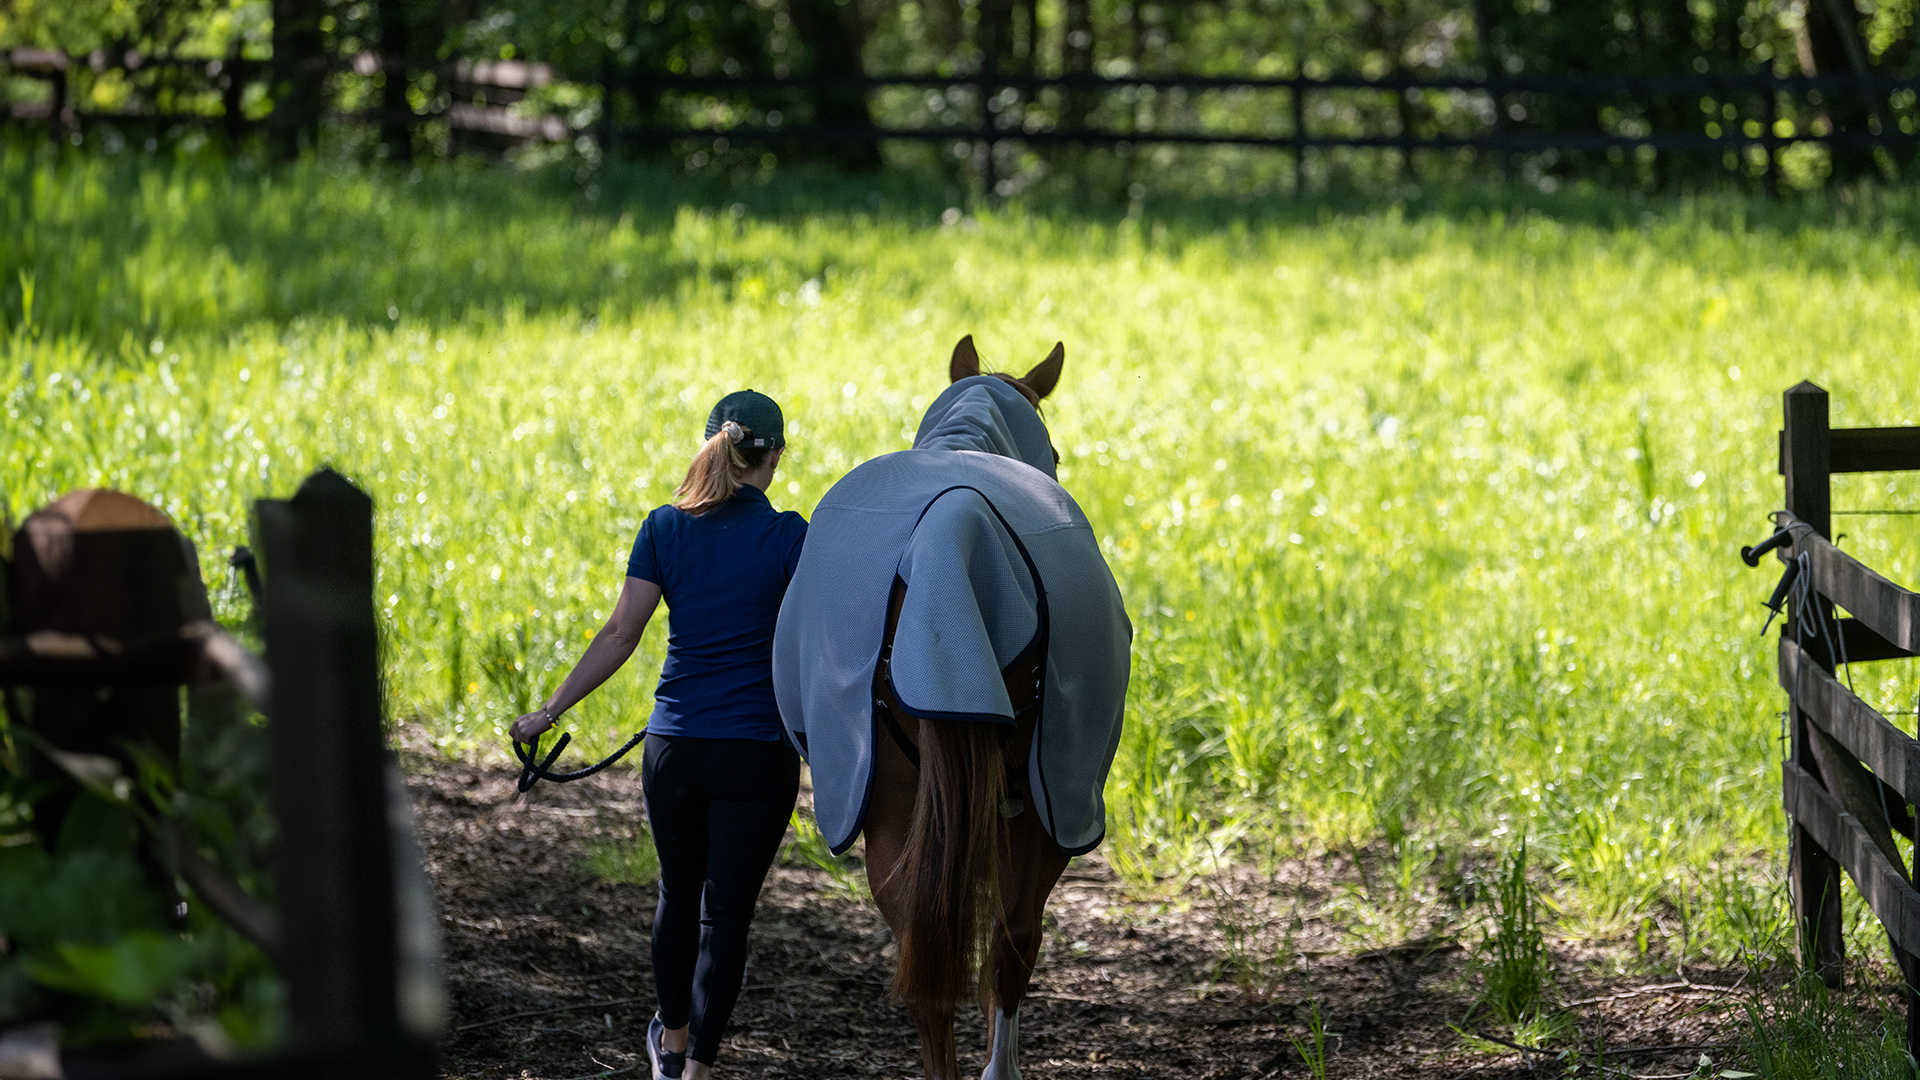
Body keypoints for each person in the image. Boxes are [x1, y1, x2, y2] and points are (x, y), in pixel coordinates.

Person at [510, 390, 806, 1080]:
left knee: (679, 895)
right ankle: (698, 1070)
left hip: (675, 748)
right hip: (756, 754)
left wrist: (547, 712)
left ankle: (669, 1050)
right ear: (775, 457)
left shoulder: (663, 529)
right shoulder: (792, 536)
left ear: (708, 445)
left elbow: (620, 634)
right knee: (725, 916)